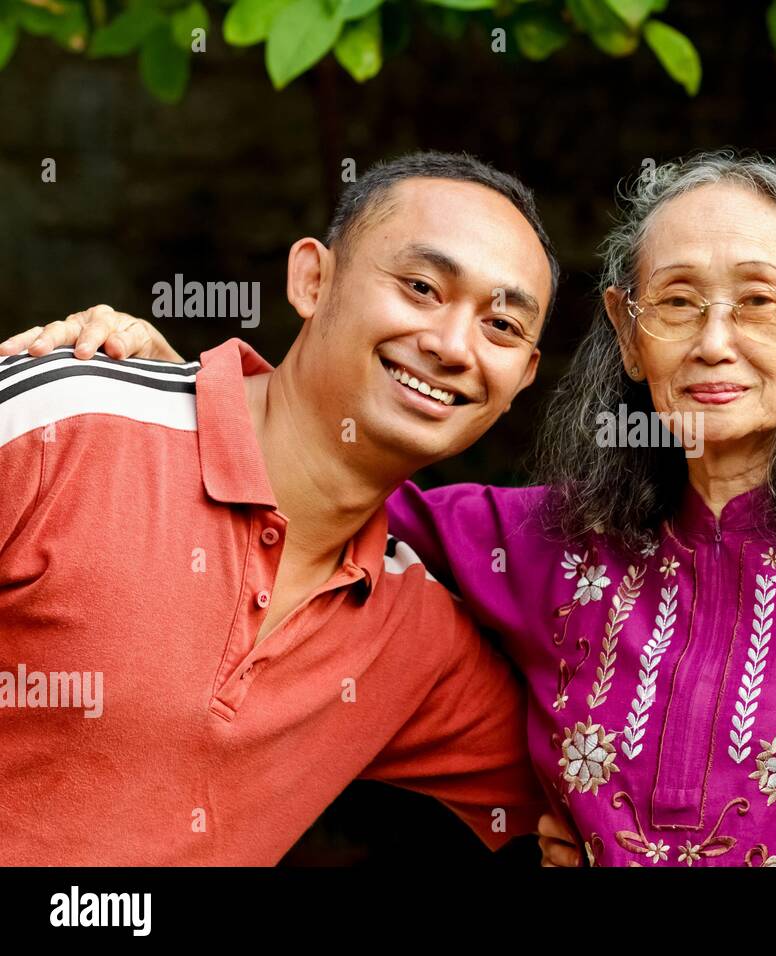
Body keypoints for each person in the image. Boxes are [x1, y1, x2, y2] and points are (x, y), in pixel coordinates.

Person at [9, 152, 776, 867]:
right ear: (622, 333)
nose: (713, 339)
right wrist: (153, 378)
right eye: (673, 301)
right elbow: (312, 474)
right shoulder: (523, 545)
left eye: (758, 301)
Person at [0, 151, 558, 864]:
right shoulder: (61, 431)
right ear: (313, 280)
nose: (452, 346)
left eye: (502, 327)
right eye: (421, 287)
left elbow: (611, 795)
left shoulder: (414, 637)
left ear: (522, 380)